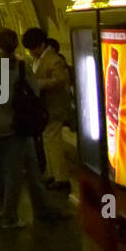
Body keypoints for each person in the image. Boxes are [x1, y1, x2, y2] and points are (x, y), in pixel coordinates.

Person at [0, 28, 66, 227]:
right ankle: (10, 216)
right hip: (14, 126)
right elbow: (34, 91)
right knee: (13, 173)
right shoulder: (21, 66)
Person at [26, 28, 73, 192]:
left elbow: (60, 80)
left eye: (33, 49)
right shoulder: (41, 59)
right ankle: (52, 174)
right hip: (46, 107)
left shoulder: (53, 59)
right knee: (48, 141)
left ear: (40, 45)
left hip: (55, 106)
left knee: (53, 142)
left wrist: (38, 84)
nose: (31, 52)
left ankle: (61, 178)